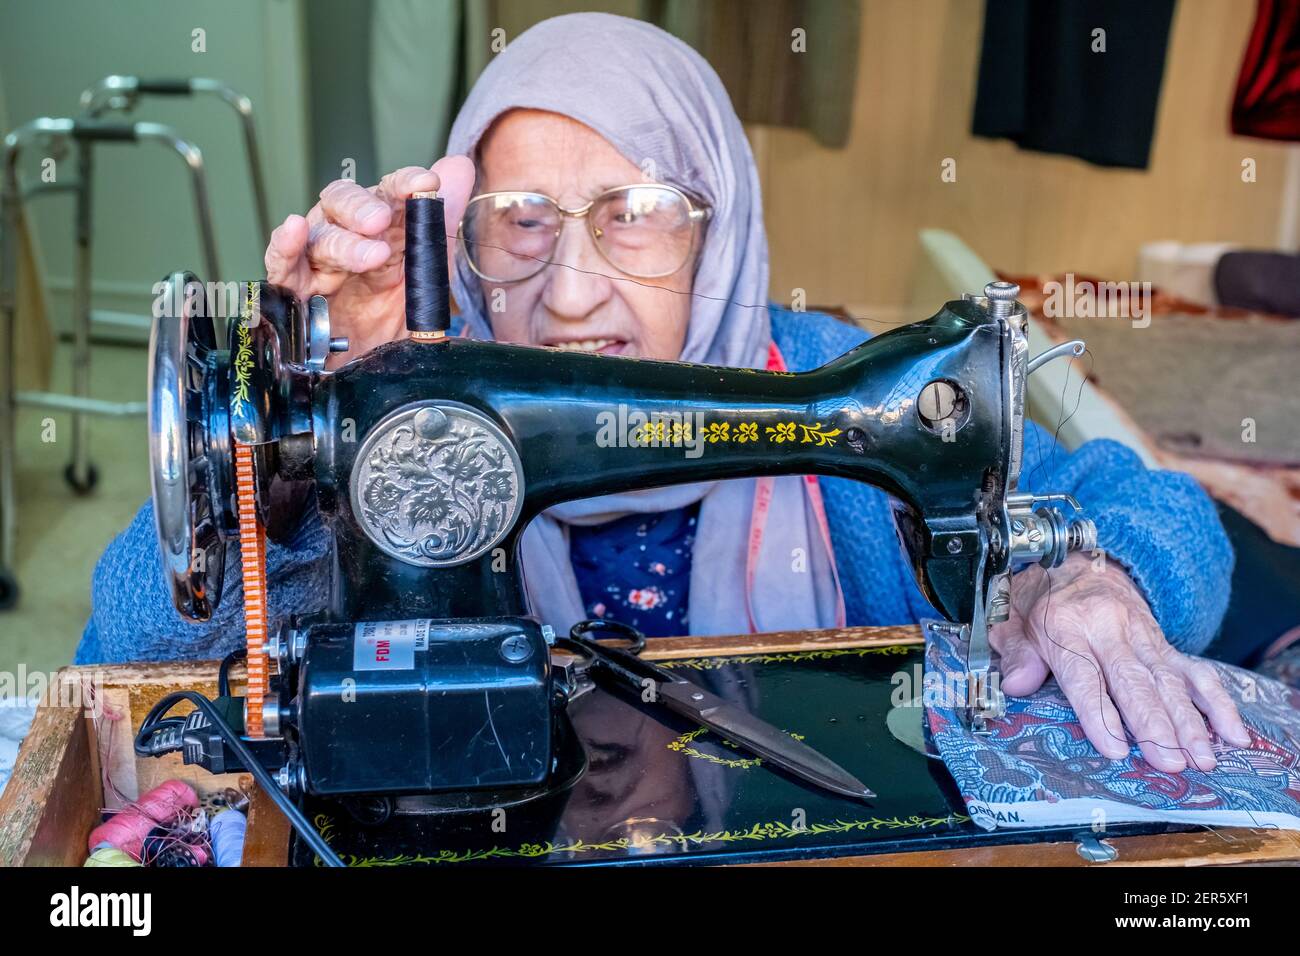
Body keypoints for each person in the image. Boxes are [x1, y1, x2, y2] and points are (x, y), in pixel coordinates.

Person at [80, 13, 1248, 773]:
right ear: (456, 246)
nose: (574, 287)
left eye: (638, 213)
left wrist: (1089, 578)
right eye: (521, 220)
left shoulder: (824, 368)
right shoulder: (398, 391)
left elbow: (1164, 515)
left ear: (721, 224)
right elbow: (120, 658)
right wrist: (299, 434)